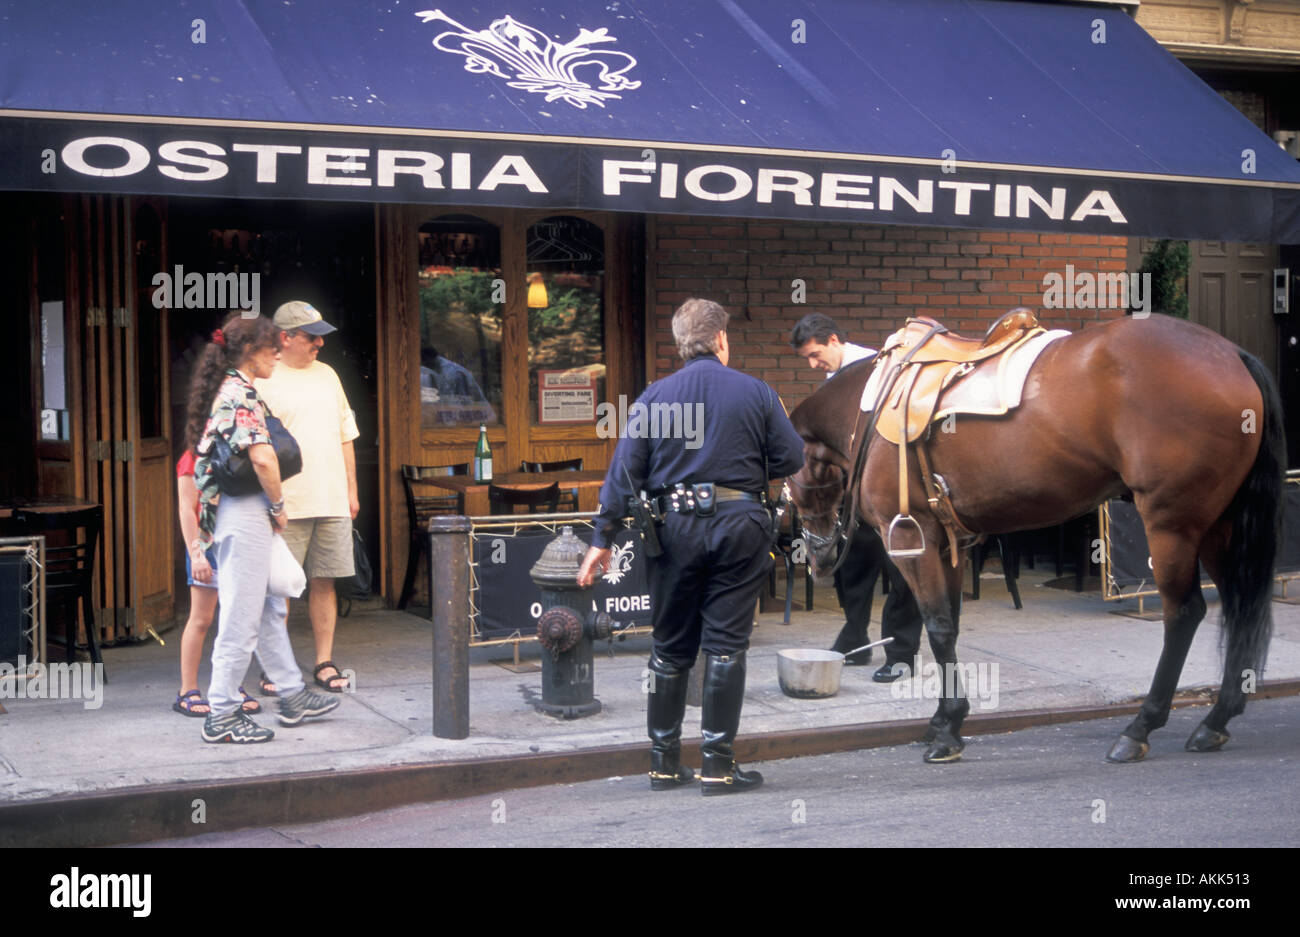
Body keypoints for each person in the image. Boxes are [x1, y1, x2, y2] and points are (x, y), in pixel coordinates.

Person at [578, 298, 805, 795]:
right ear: (722, 339)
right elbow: (790, 457)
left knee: (669, 646)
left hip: (672, 529)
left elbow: (623, 475)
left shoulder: (655, 398)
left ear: (680, 345)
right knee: (725, 646)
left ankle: (662, 764)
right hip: (739, 525)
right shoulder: (757, 392)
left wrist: (602, 538)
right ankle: (719, 767)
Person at [191, 313, 341, 743]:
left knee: (268, 608)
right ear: (249, 351)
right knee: (242, 615)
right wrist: (278, 505)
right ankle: (221, 713)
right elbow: (262, 458)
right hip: (245, 510)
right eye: (271, 345)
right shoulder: (239, 393)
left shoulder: (234, 388)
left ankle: (292, 695)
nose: (278, 351)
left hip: (240, 510)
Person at [789, 312, 924, 683]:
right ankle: (854, 636)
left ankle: (901, 655)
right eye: (809, 359)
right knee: (854, 567)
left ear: (834, 340)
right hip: (854, 494)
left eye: (816, 355)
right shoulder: (833, 384)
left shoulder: (878, 367)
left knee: (901, 573)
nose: (815, 364)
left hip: (891, 491)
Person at [255, 301, 360, 693]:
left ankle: (324, 662)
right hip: (286, 504)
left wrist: (352, 491)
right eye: (311, 336)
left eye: (321, 335)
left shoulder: (328, 375)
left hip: (331, 499)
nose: (319, 343)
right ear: (286, 337)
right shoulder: (264, 377)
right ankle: (274, 668)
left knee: (325, 583)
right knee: (278, 589)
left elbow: (346, 434)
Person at [172, 442, 266, 717]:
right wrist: (197, 553)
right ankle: (187, 690)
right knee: (202, 618)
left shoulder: (246, 453)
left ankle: (231, 686)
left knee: (238, 618)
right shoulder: (191, 457)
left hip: (238, 540)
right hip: (207, 543)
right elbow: (186, 509)